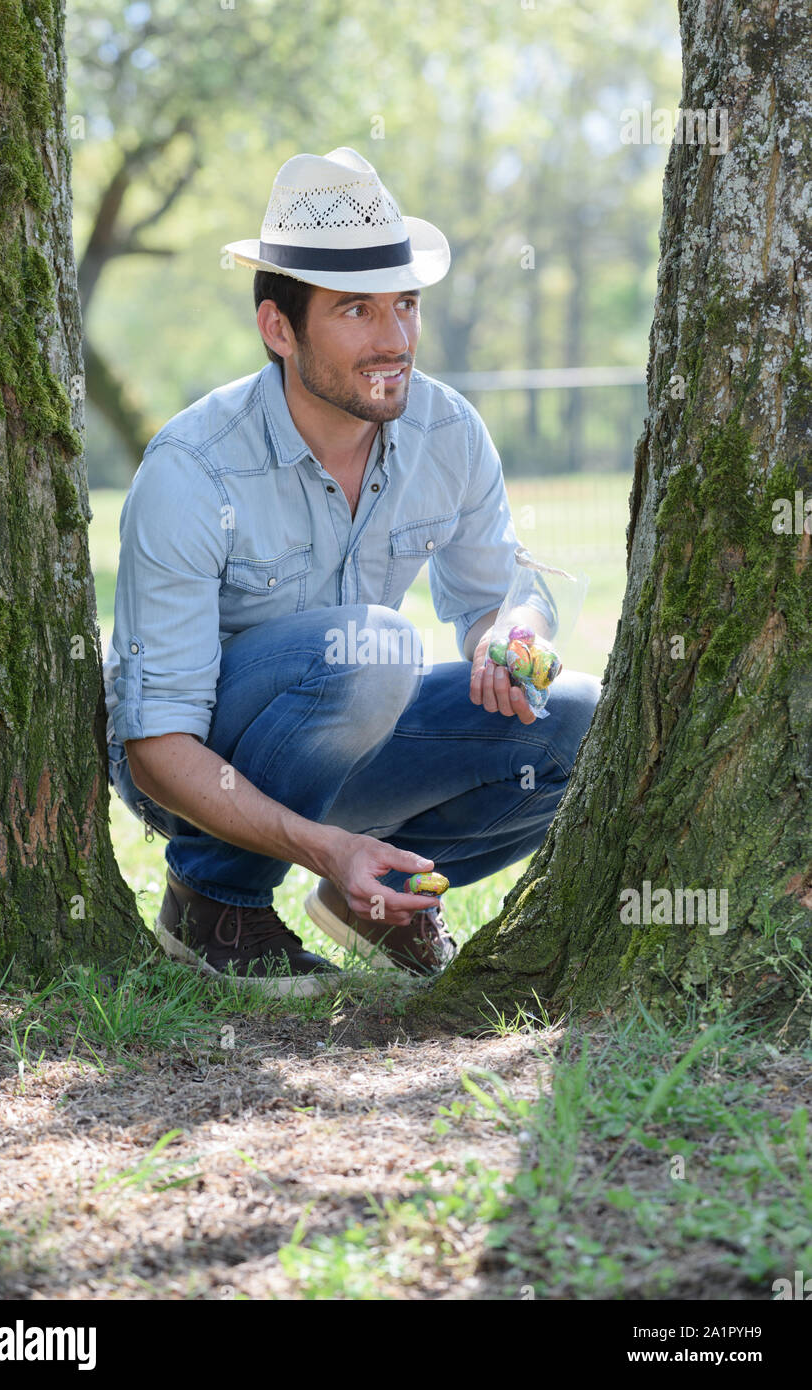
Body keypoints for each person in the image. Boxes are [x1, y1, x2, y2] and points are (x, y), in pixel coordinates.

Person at [104, 146, 601, 997]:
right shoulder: (193, 467)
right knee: (374, 648)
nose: (395, 339)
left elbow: (499, 599)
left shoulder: (448, 432)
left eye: (405, 305)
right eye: (356, 311)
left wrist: (518, 633)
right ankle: (215, 905)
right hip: (199, 771)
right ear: (278, 328)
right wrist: (322, 838)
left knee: (578, 716)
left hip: (354, 728)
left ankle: (380, 893)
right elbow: (154, 747)